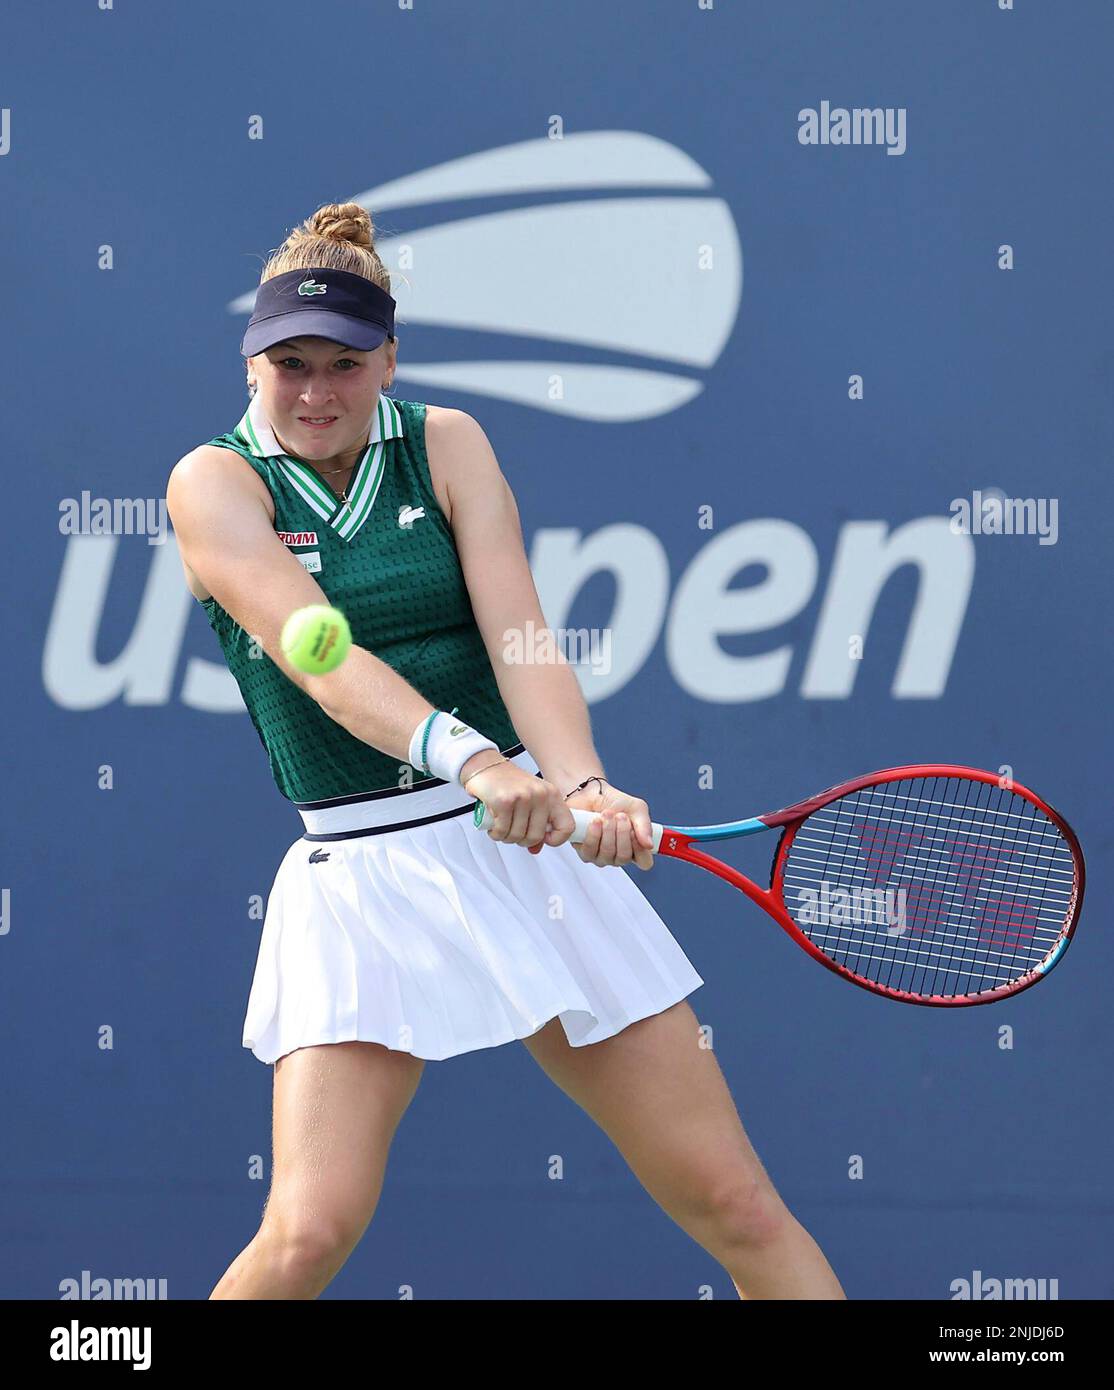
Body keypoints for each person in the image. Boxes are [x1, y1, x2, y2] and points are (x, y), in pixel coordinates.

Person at [166, 201, 845, 1300]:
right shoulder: (213, 483)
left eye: (343, 362)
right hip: (363, 879)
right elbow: (315, 652)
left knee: (735, 1202)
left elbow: (521, 634)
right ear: (249, 364)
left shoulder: (448, 444)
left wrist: (578, 779)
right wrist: (476, 762)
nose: (314, 390)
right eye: (287, 362)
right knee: (308, 1231)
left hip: (533, 855)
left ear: (389, 358)